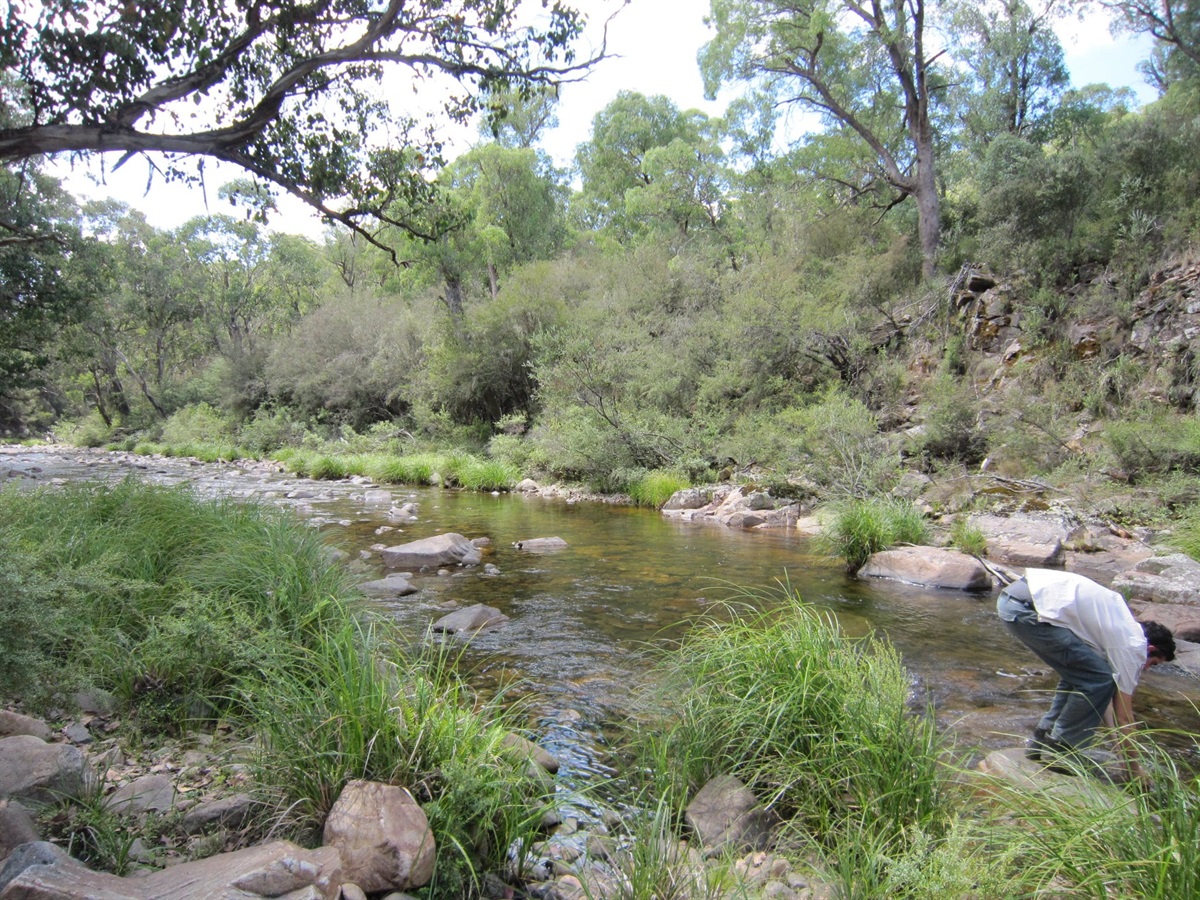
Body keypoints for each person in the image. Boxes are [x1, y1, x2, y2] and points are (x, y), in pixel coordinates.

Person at [996, 568, 1175, 782]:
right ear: (1151, 648)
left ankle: (1042, 739)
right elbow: (1124, 717)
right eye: (1152, 663)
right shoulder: (1133, 646)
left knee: (1082, 676)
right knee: (1098, 678)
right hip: (1028, 609)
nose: (1146, 669)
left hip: (1014, 601)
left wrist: (1123, 759)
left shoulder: (1117, 627)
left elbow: (1107, 704)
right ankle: (1064, 748)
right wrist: (1135, 769)